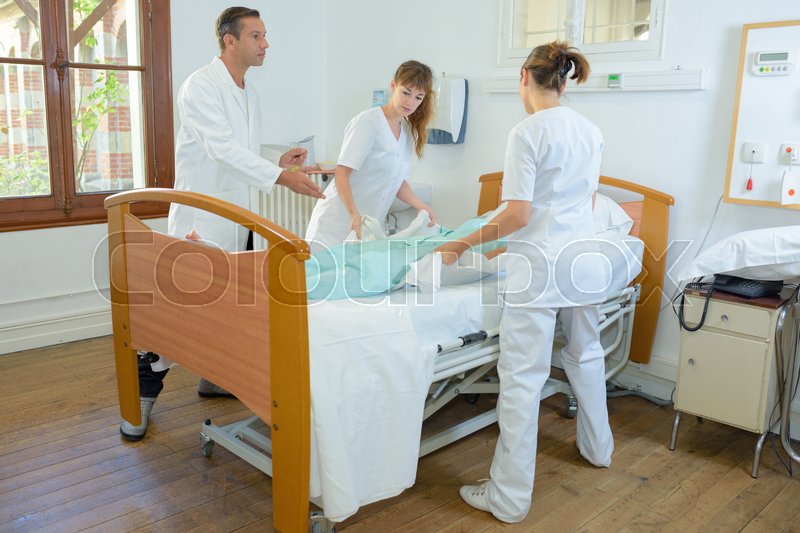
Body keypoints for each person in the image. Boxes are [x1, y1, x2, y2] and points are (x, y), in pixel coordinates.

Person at [120, 6, 325, 441]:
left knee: (232, 307)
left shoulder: (249, 93)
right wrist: (280, 177)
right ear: (229, 40)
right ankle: (141, 393)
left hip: (240, 219)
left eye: (265, 35)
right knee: (179, 312)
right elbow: (219, 151)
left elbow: (238, 153)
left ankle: (215, 377)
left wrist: (276, 162)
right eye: (257, 36)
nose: (266, 43)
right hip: (203, 218)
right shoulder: (200, 86)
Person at [434, 41, 612, 523]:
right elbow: (582, 204)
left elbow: (518, 213)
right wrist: (502, 242)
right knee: (587, 352)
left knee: (521, 380)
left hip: (540, 268)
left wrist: (463, 243)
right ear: (563, 78)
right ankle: (599, 449)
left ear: (523, 78)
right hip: (583, 260)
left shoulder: (527, 131)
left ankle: (508, 499)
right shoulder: (589, 131)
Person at [304, 60, 436, 252]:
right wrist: (353, 214)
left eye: (418, 97)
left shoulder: (406, 132)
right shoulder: (368, 122)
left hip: (365, 227)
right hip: (336, 223)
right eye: (406, 92)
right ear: (393, 86)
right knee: (318, 277)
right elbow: (342, 173)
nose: (410, 102)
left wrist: (423, 207)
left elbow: (397, 181)